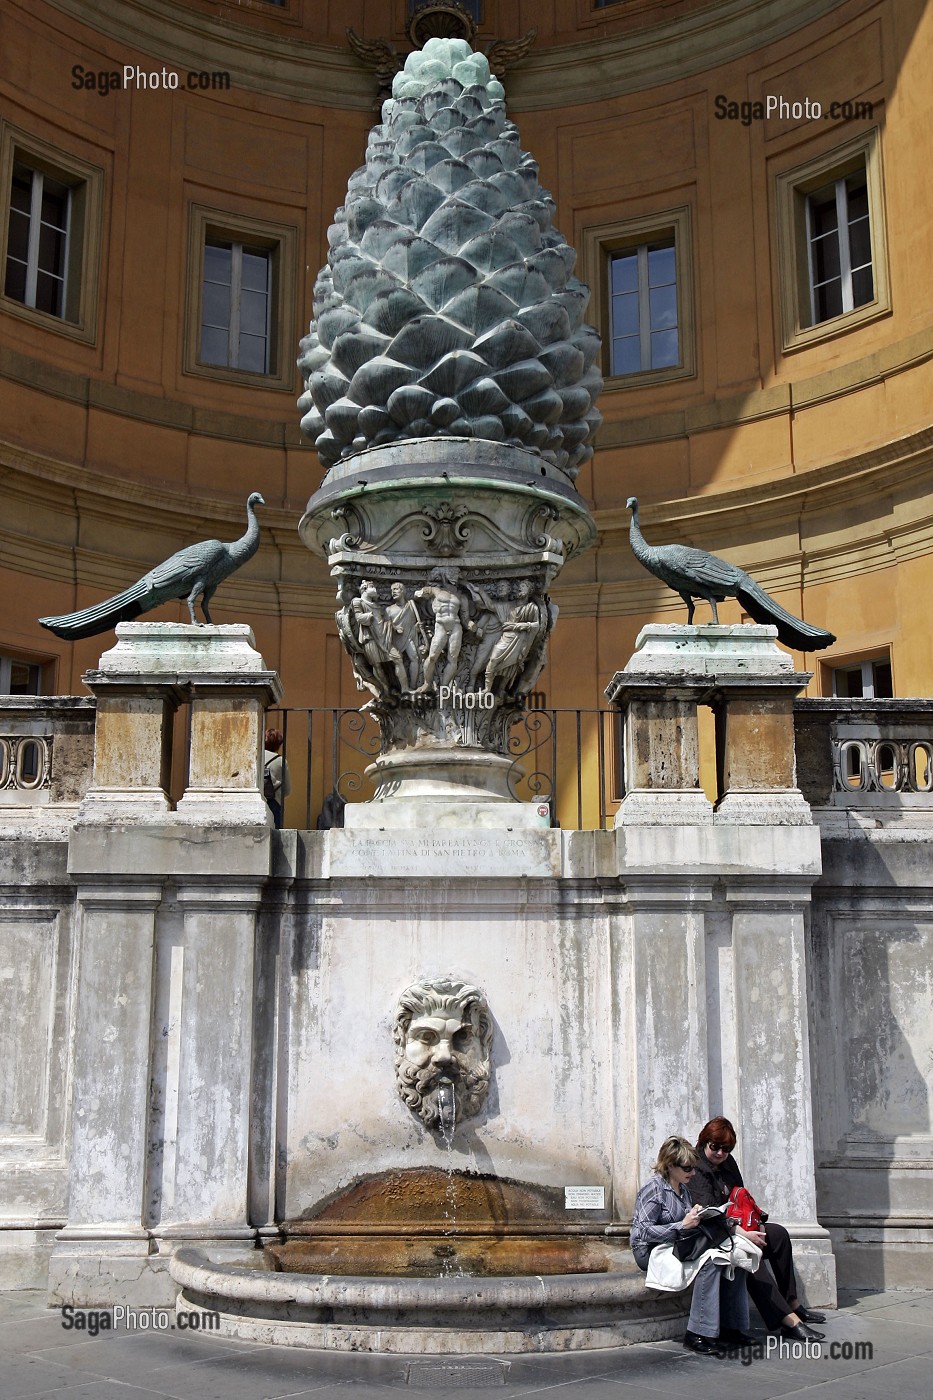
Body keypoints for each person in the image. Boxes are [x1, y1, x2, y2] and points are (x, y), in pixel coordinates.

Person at [691, 1117, 826, 1342]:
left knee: (778, 1235)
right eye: (715, 1147)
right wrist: (743, 1233)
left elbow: (741, 1198)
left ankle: (792, 1301)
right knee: (748, 1254)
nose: (720, 1153)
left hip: (734, 1227)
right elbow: (709, 1214)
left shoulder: (727, 1162)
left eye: (726, 1149)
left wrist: (757, 1225)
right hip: (712, 1232)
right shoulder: (697, 1167)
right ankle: (788, 1320)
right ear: (704, 1141)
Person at [631, 1135, 753, 1356]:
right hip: (649, 1250)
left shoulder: (683, 1188)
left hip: (677, 1244)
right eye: (687, 1168)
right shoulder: (654, 1189)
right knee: (711, 1263)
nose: (693, 1173)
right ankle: (697, 1334)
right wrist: (681, 1225)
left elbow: (686, 1223)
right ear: (670, 1165)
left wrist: (699, 1216)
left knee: (734, 1257)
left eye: (694, 1168)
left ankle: (731, 1327)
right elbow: (642, 1231)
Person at [263, 727, 291, 829]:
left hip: (257, 800)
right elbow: (287, 790)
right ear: (279, 744)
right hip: (274, 802)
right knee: (276, 835)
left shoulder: (256, 756)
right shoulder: (281, 761)